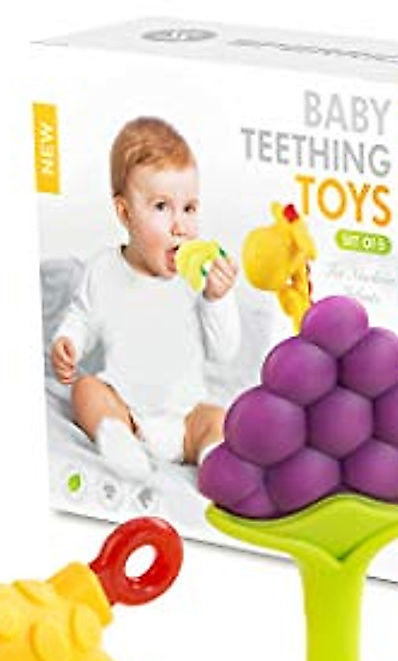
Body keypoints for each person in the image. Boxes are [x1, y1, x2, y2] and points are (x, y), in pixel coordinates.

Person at [50, 116, 239, 481]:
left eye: (189, 208)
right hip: (126, 409)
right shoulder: (103, 269)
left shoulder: (196, 279)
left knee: (220, 419)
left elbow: (224, 353)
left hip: (186, 418)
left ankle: (216, 462)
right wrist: (68, 341)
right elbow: (81, 316)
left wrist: (218, 299)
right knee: (86, 390)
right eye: (161, 207)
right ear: (125, 213)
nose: (180, 226)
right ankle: (116, 439)